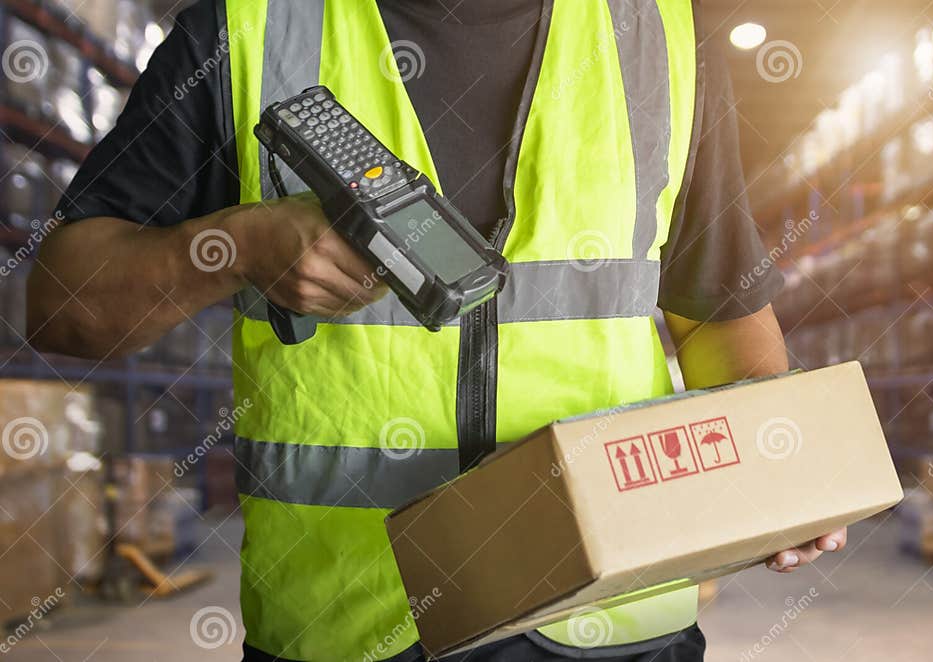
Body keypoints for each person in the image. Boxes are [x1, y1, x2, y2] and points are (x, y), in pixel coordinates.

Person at [27, 1, 847, 660]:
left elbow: (722, 322)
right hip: (350, 625)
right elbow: (60, 303)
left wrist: (783, 476)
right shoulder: (246, 28)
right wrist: (235, 247)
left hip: (612, 618)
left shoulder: (663, 36)